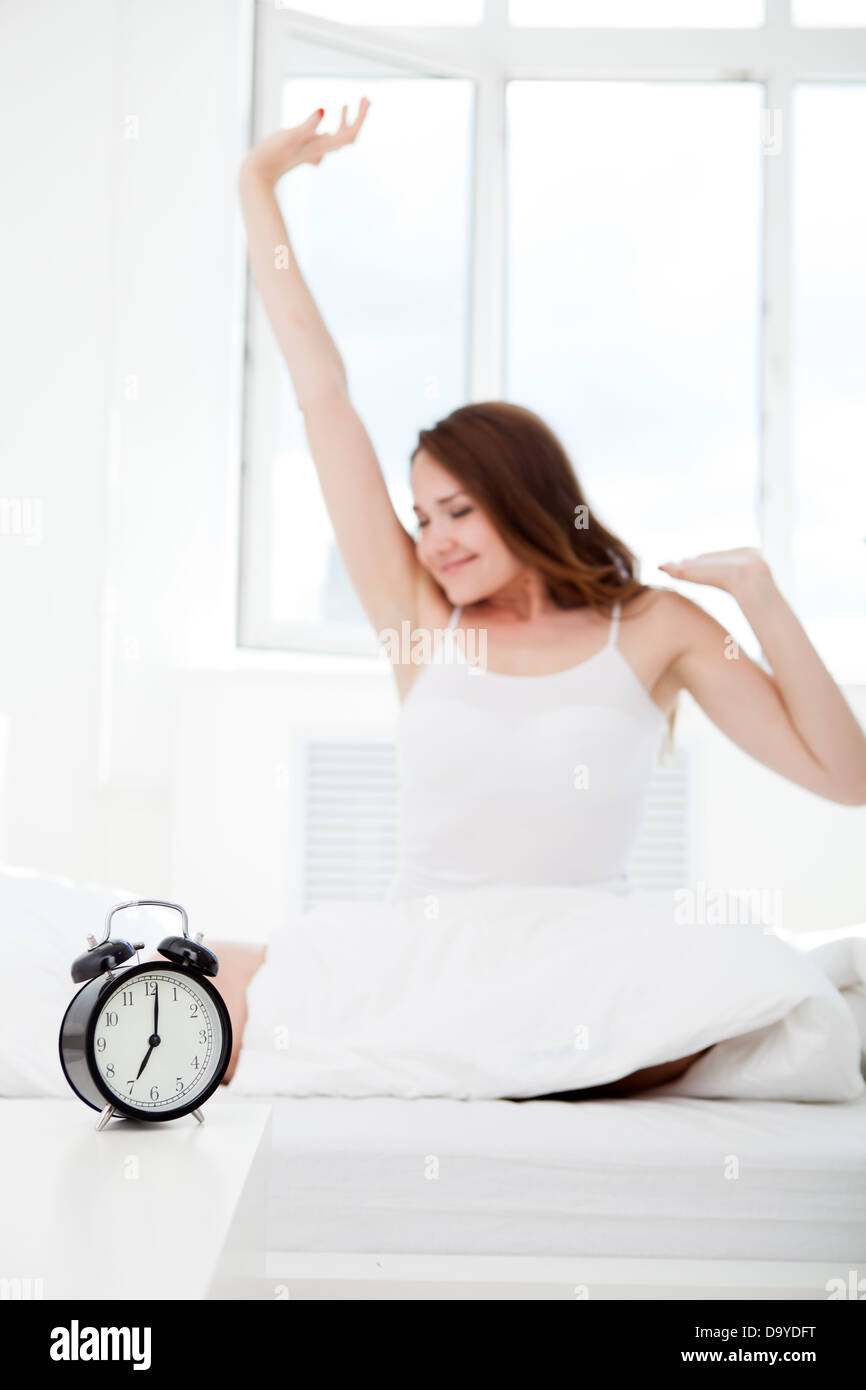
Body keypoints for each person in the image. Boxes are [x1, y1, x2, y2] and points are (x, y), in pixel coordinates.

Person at [204, 99, 866, 1098]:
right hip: (423, 954)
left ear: (522, 496)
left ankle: (539, 1059)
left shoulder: (654, 630)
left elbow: (841, 775)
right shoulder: (416, 615)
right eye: (421, 516)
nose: (433, 540)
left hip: (581, 954)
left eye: (458, 510)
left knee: (754, 977)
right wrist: (257, 186)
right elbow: (321, 390)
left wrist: (761, 600)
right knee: (211, 974)